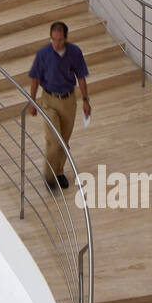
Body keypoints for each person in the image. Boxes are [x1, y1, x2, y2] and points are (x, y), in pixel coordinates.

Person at [23, 20, 92, 188]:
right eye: (53, 39)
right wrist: (32, 102)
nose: (56, 43)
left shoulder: (75, 53)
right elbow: (35, 79)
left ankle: (59, 171)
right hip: (49, 101)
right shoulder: (43, 54)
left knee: (64, 140)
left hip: (68, 101)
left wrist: (85, 100)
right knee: (54, 140)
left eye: (60, 40)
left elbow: (81, 77)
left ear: (66, 38)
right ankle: (49, 175)